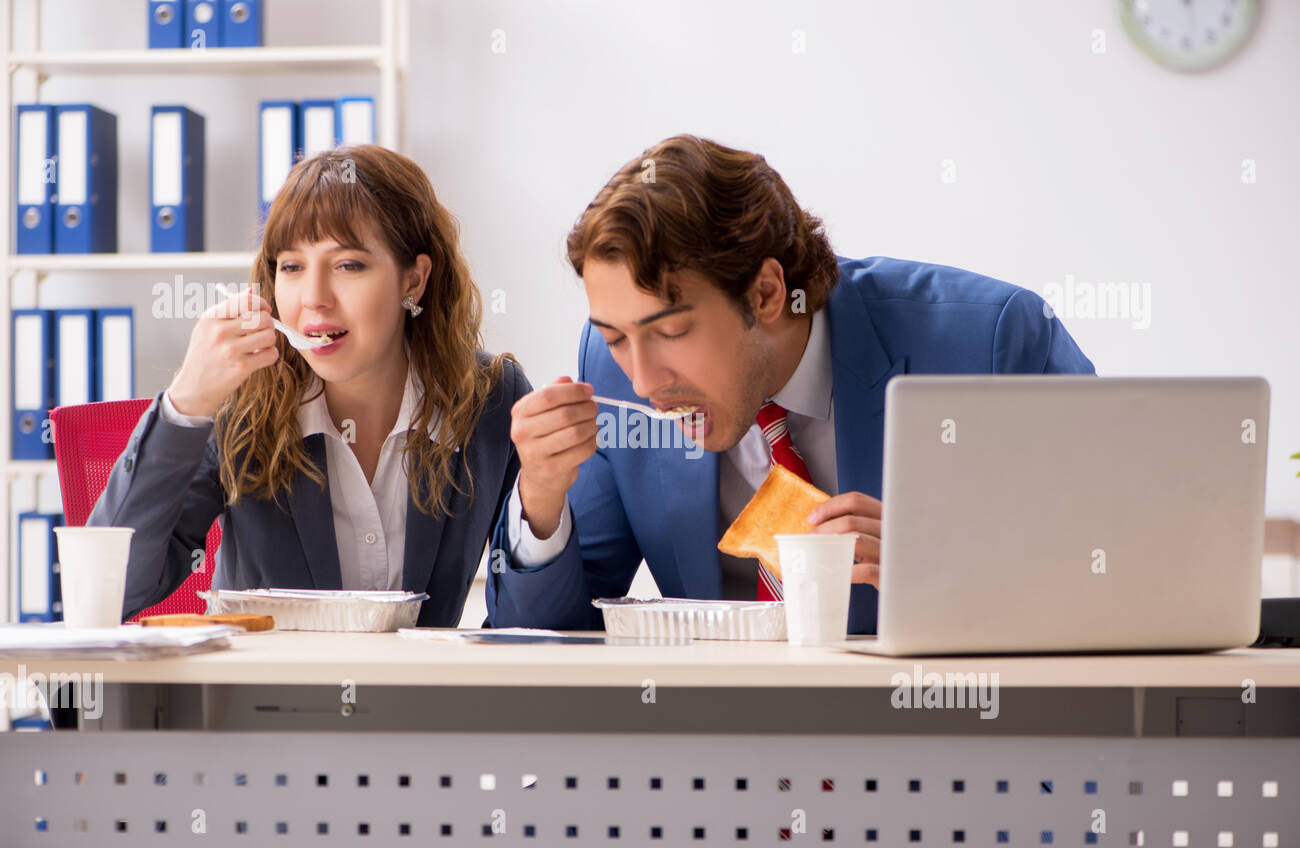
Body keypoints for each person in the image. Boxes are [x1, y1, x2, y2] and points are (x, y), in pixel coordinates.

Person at [486, 134, 1096, 632]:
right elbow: (544, 635)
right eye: (616, 335)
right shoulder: (608, 371)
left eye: (670, 331)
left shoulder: (992, 343)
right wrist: (540, 497)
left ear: (767, 293)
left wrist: (949, 569)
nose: (643, 381)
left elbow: (1119, 571)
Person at [89, 145, 528, 626]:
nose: (314, 299)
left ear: (414, 281)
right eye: (292, 267)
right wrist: (186, 403)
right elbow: (109, 592)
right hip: (259, 697)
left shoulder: (488, 398)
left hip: (416, 699)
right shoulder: (241, 400)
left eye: (348, 265)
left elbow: (533, 617)